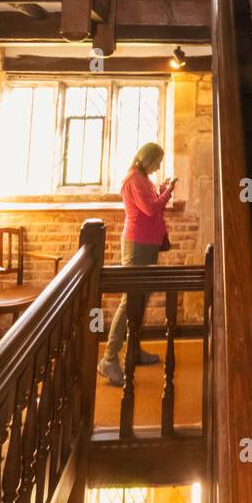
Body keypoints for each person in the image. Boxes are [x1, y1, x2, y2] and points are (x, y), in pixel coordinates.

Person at [99, 142, 176, 386]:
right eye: (157, 162)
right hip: (137, 244)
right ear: (147, 158)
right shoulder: (133, 179)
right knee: (129, 299)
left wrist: (161, 190)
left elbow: (151, 205)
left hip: (148, 243)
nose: (159, 166)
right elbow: (150, 209)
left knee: (141, 298)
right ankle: (109, 359)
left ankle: (133, 349)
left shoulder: (143, 178)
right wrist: (168, 192)